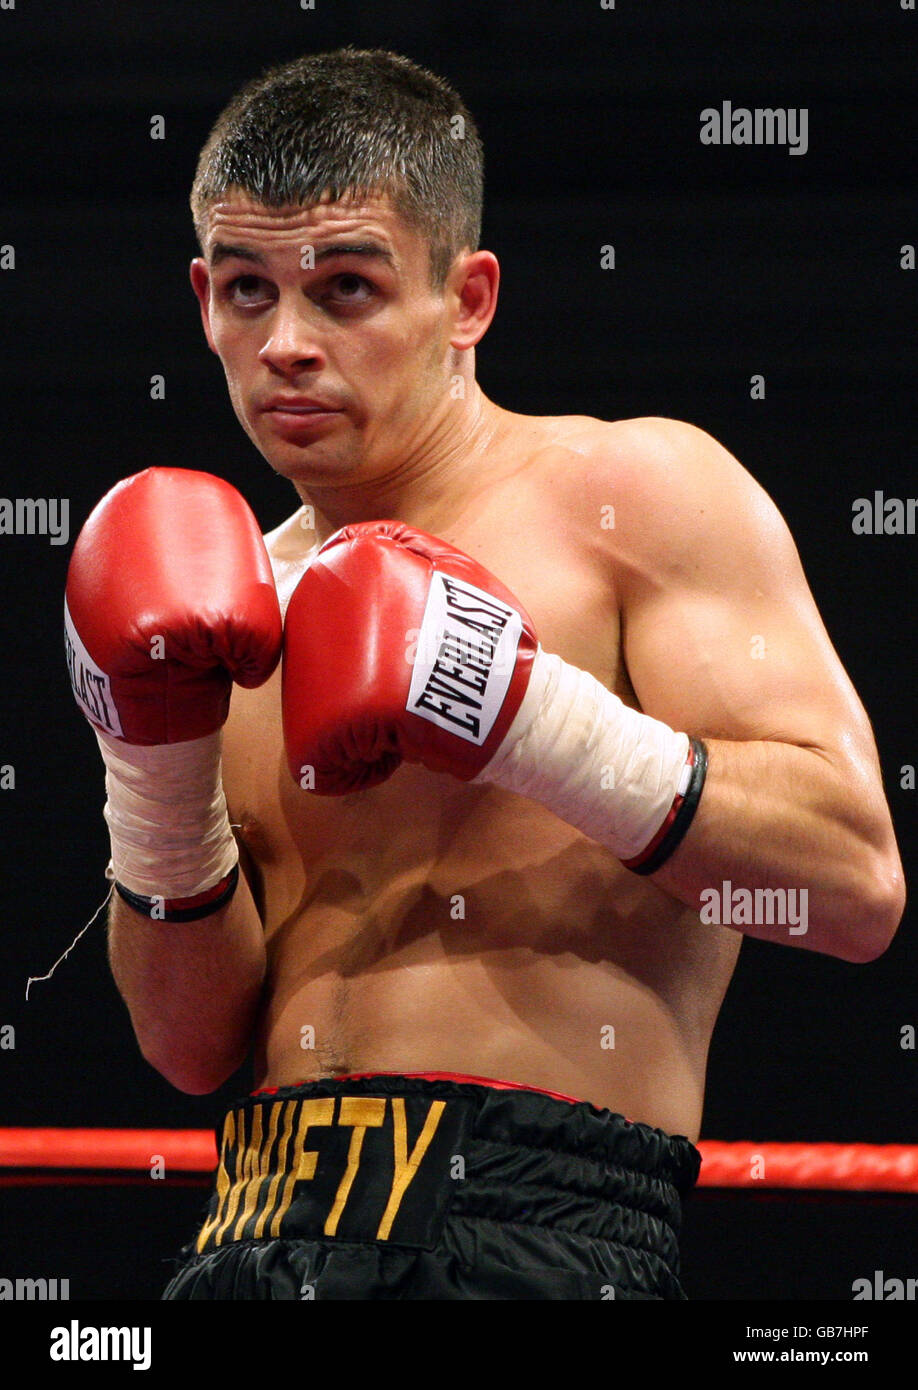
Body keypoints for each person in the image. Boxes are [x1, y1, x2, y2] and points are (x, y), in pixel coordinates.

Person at [65, 48, 904, 1300]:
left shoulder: (631, 495)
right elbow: (188, 1052)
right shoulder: (210, 605)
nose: (286, 342)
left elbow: (852, 889)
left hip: (539, 1220)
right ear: (201, 298)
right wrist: (155, 772)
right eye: (248, 291)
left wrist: (524, 713)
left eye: (346, 288)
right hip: (248, 1228)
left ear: (469, 298)